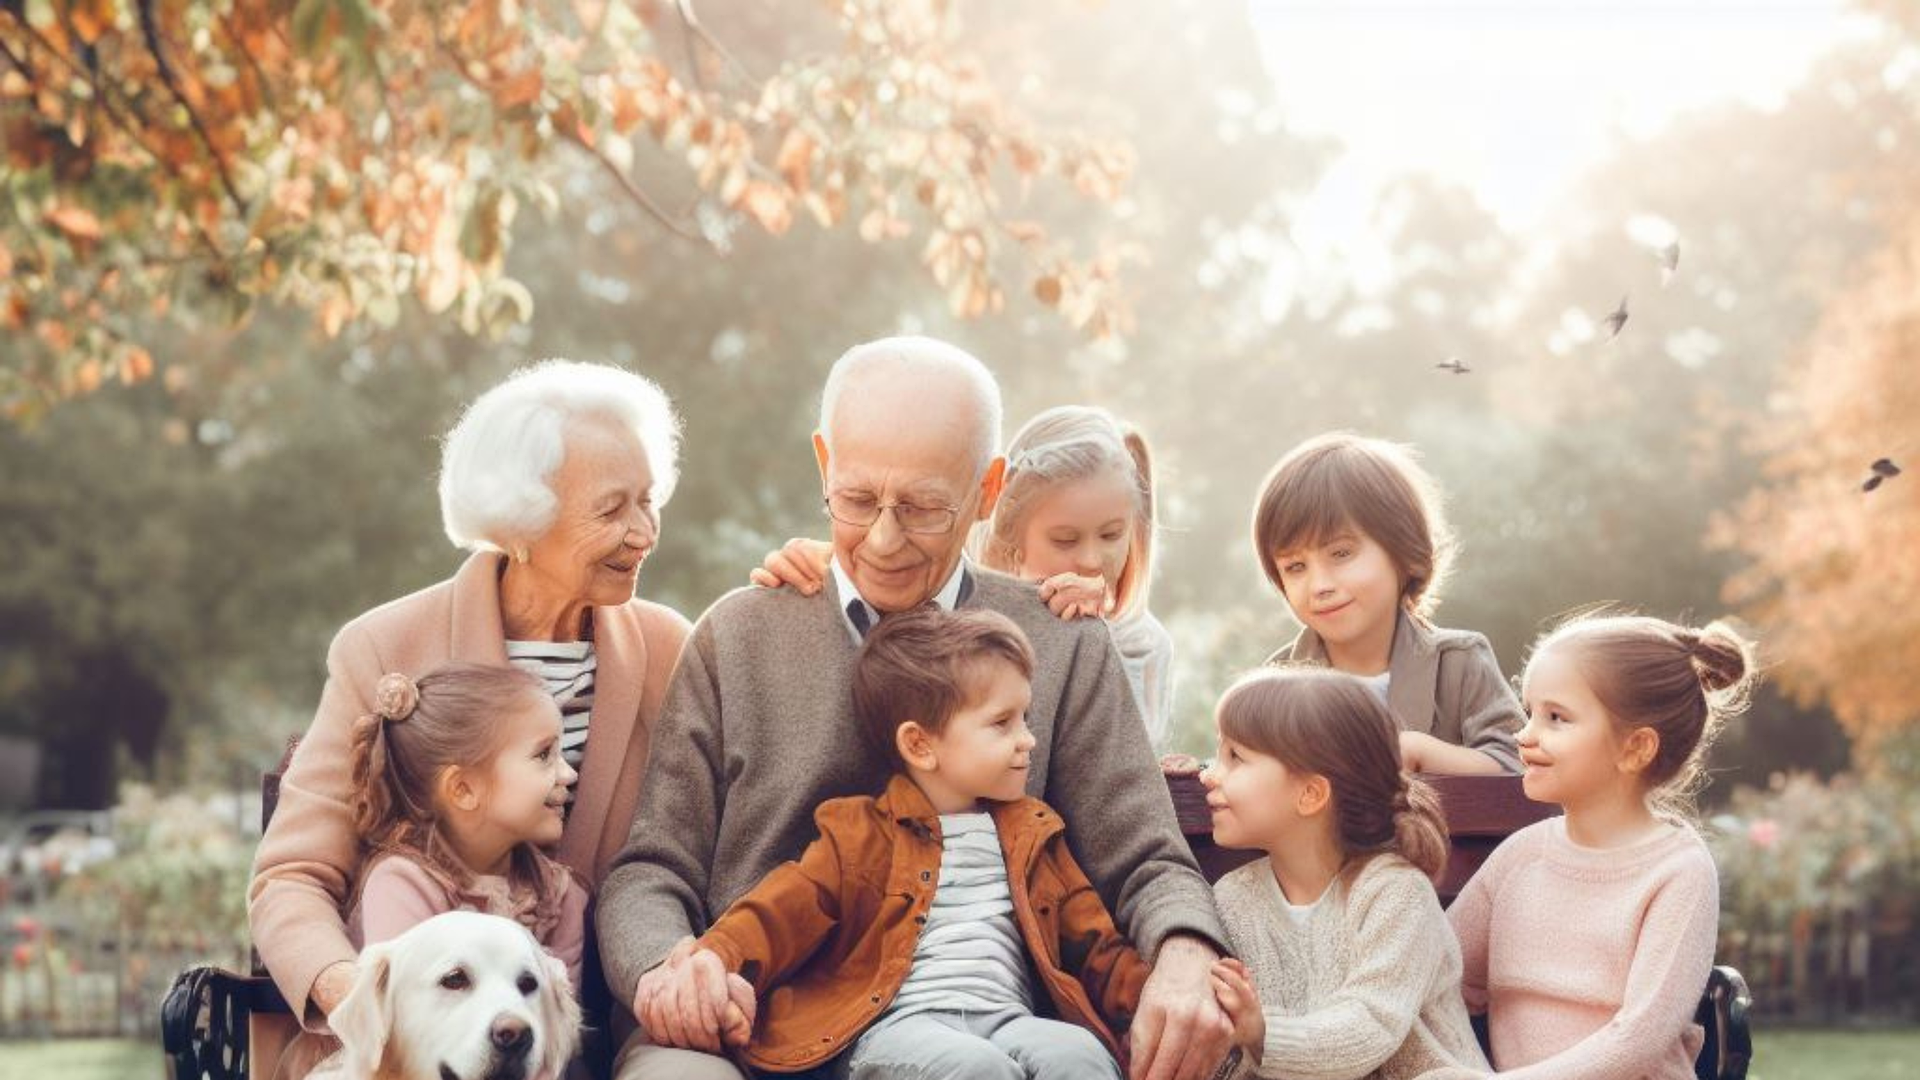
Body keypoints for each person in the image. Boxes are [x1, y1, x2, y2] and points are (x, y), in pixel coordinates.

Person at [598, 336, 1232, 1080]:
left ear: (988, 492)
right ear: (824, 464)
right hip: (754, 1036)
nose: (885, 539)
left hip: (991, 1038)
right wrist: (670, 970)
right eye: (858, 499)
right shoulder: (740, 632)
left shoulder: (1062, 641)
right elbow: (651, 868)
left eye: (926, 507)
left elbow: (1145, 858)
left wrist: (1187, 960)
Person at [249, 360, 691, 1076]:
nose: (643, 532)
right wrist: (366, 1005)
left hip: (599, 1036)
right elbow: (293, 876)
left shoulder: (671, 648)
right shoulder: (383, 647)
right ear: (520, 520)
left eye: (650, 501)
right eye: (611, 510)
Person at [693, 607, 1145, 1078]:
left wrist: (1152, 995)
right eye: (1002, 723)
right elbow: (780, 913)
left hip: (1008, 1019)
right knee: (976, 1069)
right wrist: (713, 959)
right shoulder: (859, 835)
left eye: (1025, 718)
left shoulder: (1033, 832)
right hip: (896, 1028)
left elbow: (1098, 947)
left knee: (1077, 1055)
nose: (1028, 740)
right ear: (920, 746)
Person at [753, 405, 1177, 749]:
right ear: (1013, 541)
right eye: (1064, 540)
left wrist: (1089, 640)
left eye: (1111, 535)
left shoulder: (1144, 645)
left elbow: (1120, 782)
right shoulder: (955, 619)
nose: (1091, 559)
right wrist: (832, 573)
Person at [1446, 613, 1755, 1078]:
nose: (1524, 736)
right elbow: (1438, 974)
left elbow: (1640, 1040)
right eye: (1530, 712)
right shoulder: (1520, 856)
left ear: (1635, 748)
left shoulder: (1678, 871)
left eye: (1556, 718)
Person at [282, 663, 589, 1076]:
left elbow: (555, 1042)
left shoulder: (562, 897)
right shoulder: (400, 883)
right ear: (462, 789)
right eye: (543, 755)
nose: (568, 774)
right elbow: (404, 1033)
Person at [1200, 666, 1487, 1079]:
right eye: (1217, 753)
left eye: (1235, 758)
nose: (1208, 774)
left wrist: (1263, 1034)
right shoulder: (1233, 898)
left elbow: (1371, 1023)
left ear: (1311, 794)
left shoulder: (1395, 892)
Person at [1254, 432, 1520, 774]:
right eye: (1295, 567)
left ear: (1404, 553)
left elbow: (1521, 770)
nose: (1319, 585)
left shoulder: (1459, 663)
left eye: (1341, 553)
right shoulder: (1274, 683)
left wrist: (1420, 753)